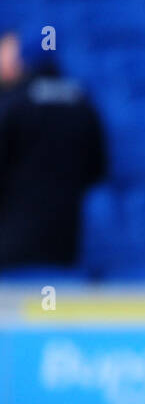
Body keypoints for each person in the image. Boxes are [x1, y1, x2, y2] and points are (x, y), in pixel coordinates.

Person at [0, 29, 106, 269]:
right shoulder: (81, 102)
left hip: (10, 243)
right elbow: (98, 168)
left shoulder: (11, 104)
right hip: (65, 244)